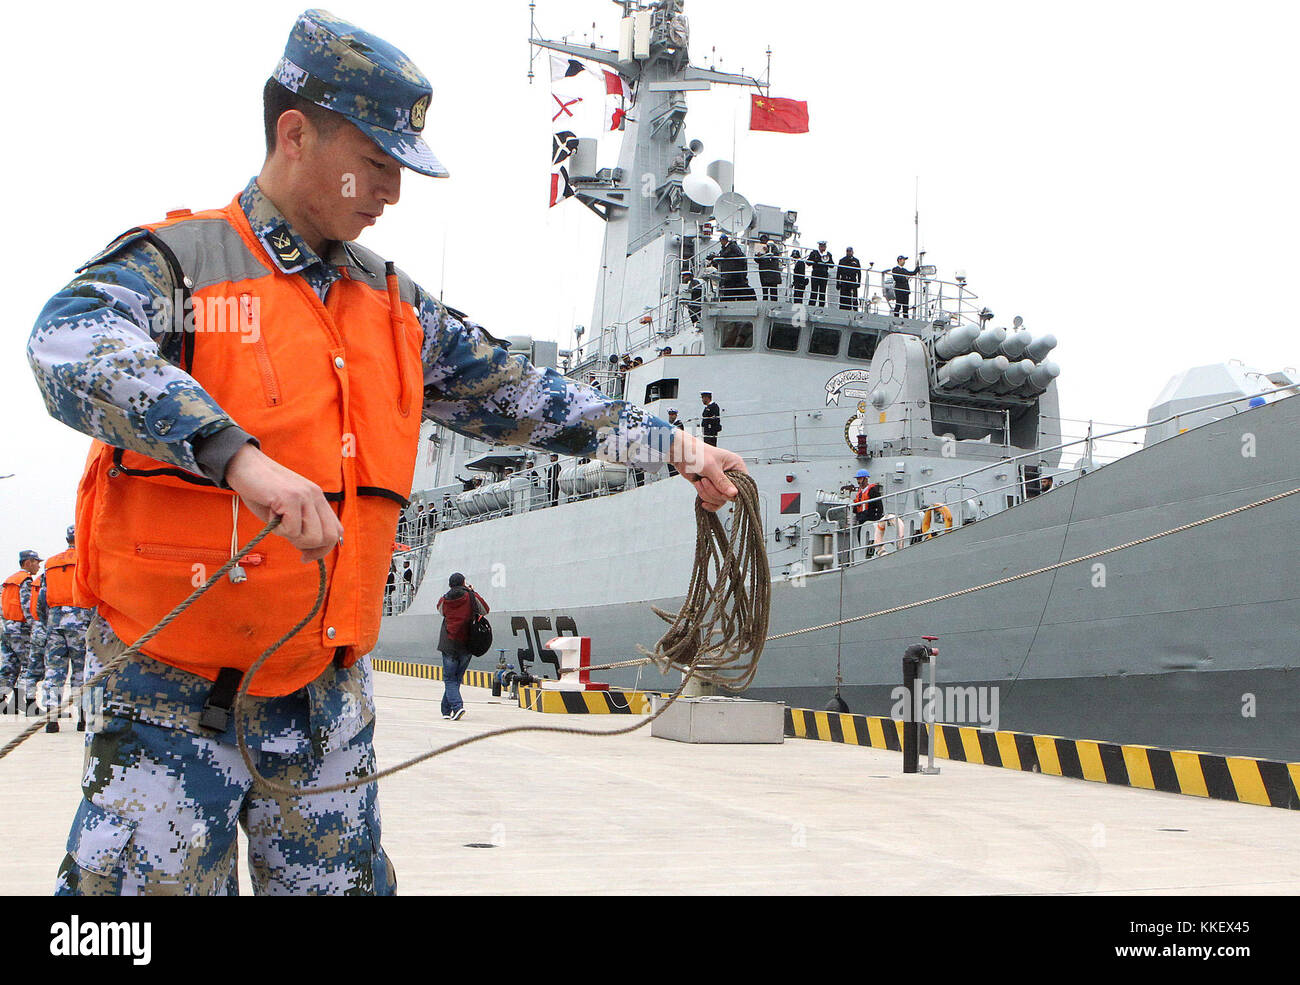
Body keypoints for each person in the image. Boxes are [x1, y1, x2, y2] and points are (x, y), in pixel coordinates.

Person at [27, 9, 746, 898]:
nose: (391, 193)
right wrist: (235, 456)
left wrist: (670, 444)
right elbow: (69, 342)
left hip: (326, 704)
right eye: (374, 164)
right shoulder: (189, 275)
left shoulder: (395, 309)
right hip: (174, 706)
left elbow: (523, 394)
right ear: (295, 134)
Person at [39, 526, 95, 733]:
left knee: (54, 672)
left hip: (55, 623)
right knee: (81, 671)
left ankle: (51, 719)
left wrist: (48, 622)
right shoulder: (86, 559)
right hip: (81, 621)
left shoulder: (51, 563)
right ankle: (83, 719)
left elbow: (41, 599)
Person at [435, 573, 487, 721]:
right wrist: (472, 592)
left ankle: (456, 707)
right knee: (456, 678)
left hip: (449, 643)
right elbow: (485, 609)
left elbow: (440, 610)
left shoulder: (444, 599)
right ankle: (446, 711)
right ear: (464, 583)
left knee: (450, 678)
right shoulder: (470, 596)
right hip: (467, 642)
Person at [1, 550, 42, 712]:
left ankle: (1, 701)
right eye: (36, 562)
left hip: (6, 627)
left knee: (8, 665)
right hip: (20, 628)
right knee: (28, 665)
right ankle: (23, 703)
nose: (38, 565)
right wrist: (35, 627)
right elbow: (27, 607)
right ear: (27, 563)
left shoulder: (8, 581)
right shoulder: (25, 581)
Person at [851, 469, 883, 560]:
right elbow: (857, 506)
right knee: (860, 535)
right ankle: (864, 554)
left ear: (865, 479)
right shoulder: (860, 492)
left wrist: (878, 518)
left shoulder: (872, 490)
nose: (858, 481)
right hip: (861, 518)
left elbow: (879, 505)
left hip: (870, 517)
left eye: (860, 479)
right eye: (858, 479)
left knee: (871, 536)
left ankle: (870, 554)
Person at [755, 233, 781, 302]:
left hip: (772, 272)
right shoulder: (759, 248)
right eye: (762, 240)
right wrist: (758, 256)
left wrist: (767, 251)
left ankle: (774, 304)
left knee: (773, 291)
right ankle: (765, 302)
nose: (763, 241)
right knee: (765, 290)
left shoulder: (773, 247)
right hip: (764, 272)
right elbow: (756, 260)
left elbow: (776, 255)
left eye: (764, 240)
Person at [836, 247, 862, 311]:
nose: (849, 252)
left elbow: (859, 272)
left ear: (853, 252)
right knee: (844, 298)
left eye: (850, 251)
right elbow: (838, 272)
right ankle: (843, 310)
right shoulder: (842, 260)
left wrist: (859, 282)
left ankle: (855, 310)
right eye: (848, 251)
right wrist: (838, 283)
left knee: (854, 298)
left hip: (852, 281)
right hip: (844, 281)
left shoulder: (856, 261)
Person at [808, 241, 832, 307]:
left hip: (824, 275)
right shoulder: (814, 253)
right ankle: (811, 305)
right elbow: (808, 263)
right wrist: (814, 260)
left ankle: (821, 307)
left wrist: (828, 261)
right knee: (814, 291)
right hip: (816, 274)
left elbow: (832, 265)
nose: (822, 248)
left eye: (824, 246)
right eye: (821, 246)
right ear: (819, 247)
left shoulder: (828, 254)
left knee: (822, 292)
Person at [666, 409, 686, 476]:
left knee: (676, 468)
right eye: (670, 415)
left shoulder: (678, 424)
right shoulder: (670, 425)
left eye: (672, 415)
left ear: (676, 415)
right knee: (671, 469)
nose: (671, 416)